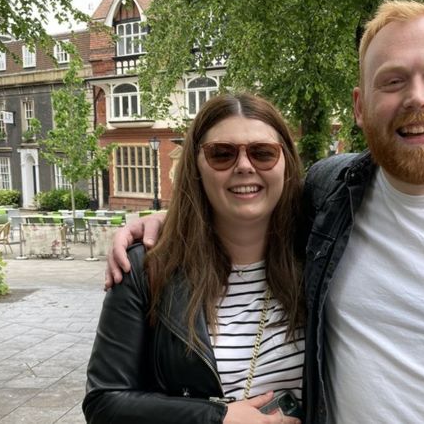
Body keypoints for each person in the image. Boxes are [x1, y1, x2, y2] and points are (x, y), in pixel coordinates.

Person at [106, 0, 424, 423]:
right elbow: (245, 201)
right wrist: (165, 223)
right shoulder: (329, 193)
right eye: (392, 81)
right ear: (360, 106)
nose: (416, 98)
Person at [85, 92, 304, 424]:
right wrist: (214, 418)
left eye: (263, 153)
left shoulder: (319, 256)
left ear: (285, 162)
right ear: (196, 167)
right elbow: (104, 402)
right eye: (221, 154)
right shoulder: (144, 269)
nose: (245, 166)